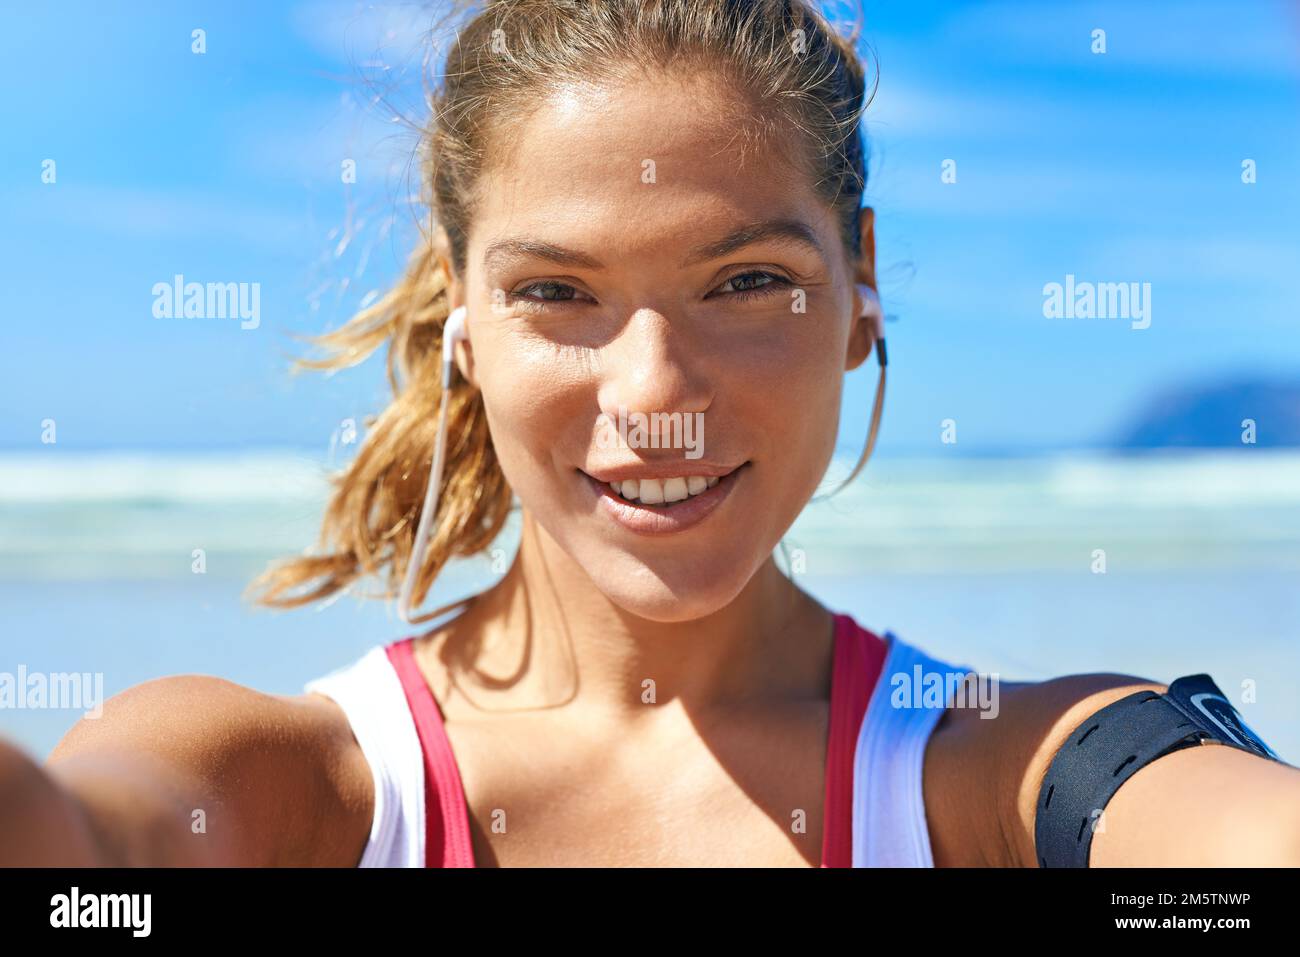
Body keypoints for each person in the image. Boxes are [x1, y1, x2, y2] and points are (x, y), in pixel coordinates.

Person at [3, 0, 1297, 868]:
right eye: (557, 291)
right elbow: (85, 860)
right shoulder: (310, 791)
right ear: (465, 315)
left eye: (744, 282)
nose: (656, 389)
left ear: (860, 284)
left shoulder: (999, 774)